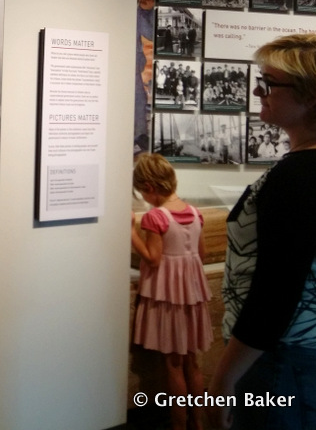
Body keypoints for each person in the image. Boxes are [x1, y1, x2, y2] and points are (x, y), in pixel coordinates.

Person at [210, 34, 316, 429]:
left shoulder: (299, 176)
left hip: (280, 361)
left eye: (270, 83)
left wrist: (221, 382)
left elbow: (276, 292)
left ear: (311, 96)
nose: (259, 89)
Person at [130, 153, 212, 430]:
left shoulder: (155, 217)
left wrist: (131, 232)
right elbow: (200, 254)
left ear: (150, 187)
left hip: (168, 297)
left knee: (173, 366)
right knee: (192, 363)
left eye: (141, 191)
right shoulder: (194, 212)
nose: (143, 196)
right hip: (191, 296)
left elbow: (153, 258)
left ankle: (178, 426)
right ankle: (197, 424)